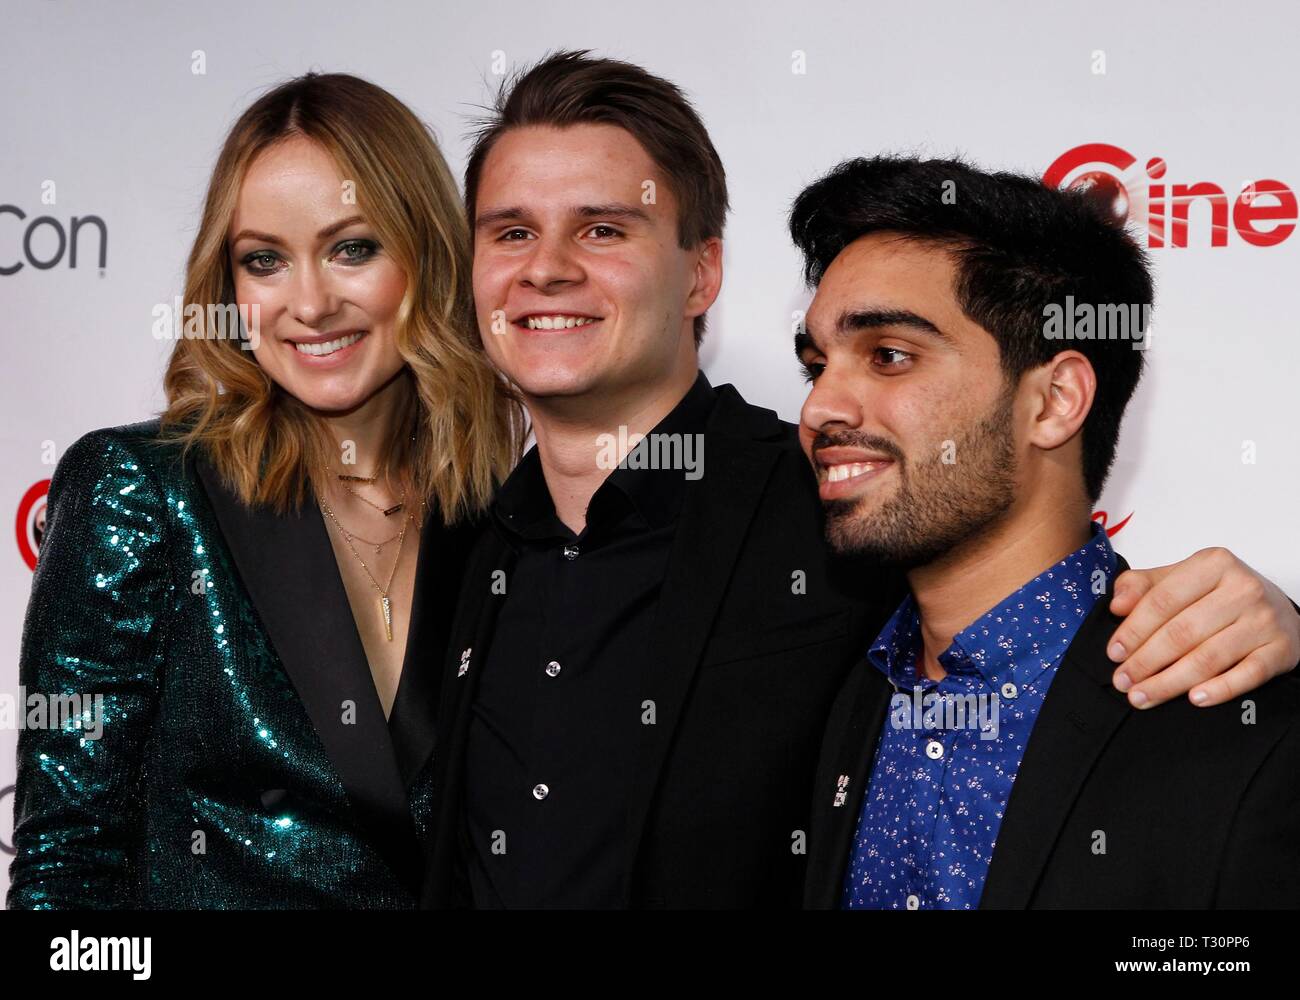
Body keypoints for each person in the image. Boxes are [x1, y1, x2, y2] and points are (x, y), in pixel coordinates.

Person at [422, 51, 1300, 909]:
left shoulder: (825, 511)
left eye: (603, 227)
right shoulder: (455, 536)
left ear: (702, 273)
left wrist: (1279, 622)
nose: (826, 408)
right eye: (511, 232)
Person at [7, 73, 523, 909]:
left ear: (427, 255)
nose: (311, 303)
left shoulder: (498, 521)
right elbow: (65, 866)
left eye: (353, 247)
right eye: (264, 261)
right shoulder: (140, 491)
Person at [795, 156, 1300, 908]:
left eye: (889, 356)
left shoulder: (1242, 726)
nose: (820, 408)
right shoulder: (842, 677)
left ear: (1055, 401)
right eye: (815, 366)